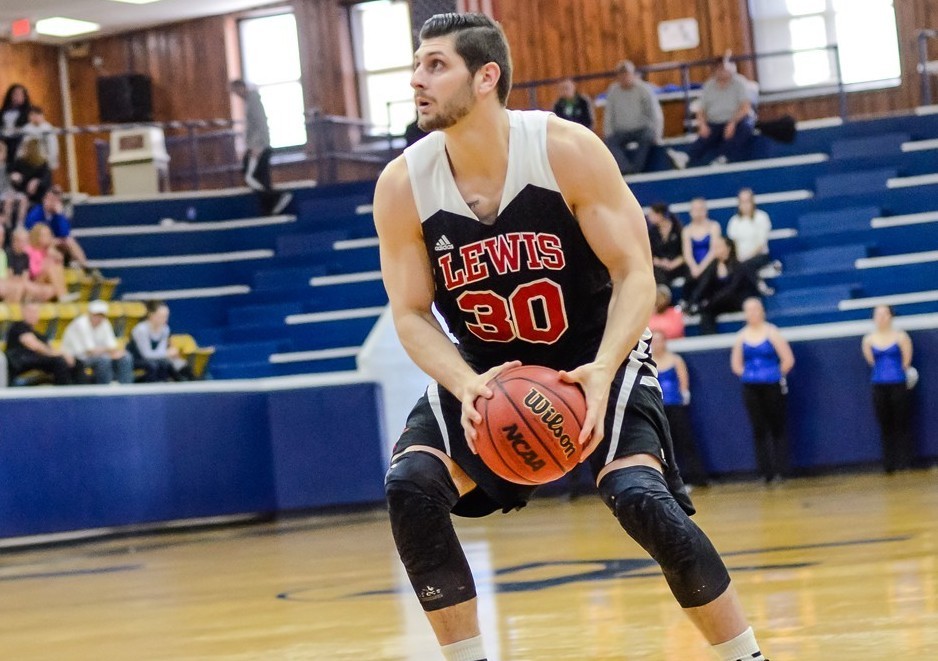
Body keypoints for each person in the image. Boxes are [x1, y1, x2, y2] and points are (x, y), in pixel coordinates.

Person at [374, 12, 767, 661]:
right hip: (486, 368)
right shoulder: (402, 186)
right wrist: (468, 383)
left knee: (640, 496)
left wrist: (607, 366)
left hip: (594, 351)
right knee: (411, 483)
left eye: (435, 65)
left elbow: (636, 275)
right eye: (417, 64)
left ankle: (746, 655)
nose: (417, 78)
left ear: (485, 78)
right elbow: (411, 313)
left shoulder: (564, 149)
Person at [730, 298, 794, 484]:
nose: (752, 313)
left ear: (762, 311)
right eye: (748, 310)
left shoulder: (772, 332)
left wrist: (773, 374)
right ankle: (765, 472)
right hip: (751, 387)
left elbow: (788, 359)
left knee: (777, 427)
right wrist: (751, 374)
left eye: (755, 309)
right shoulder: (741, 336)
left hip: (772, 385)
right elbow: (736, 365)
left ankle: (782, 470)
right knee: (759, 428)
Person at [651, 330, 710, 487]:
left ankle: (697, 478)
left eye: (660, 340)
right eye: (654, 341)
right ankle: (666, 481)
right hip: (658, 408)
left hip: (676, 405)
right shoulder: (648, 363)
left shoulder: (676, 359)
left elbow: (683, 381)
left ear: (665, 342)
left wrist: (684, 396)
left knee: (685, 441)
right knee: (662, 446)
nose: (657, 344)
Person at [861, 305, 915, 473]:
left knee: (901, 422)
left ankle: (905, 461)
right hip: (879, 384)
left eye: (885, 314)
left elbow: (906, 361)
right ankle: (889, 463)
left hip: (898, 383)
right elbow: (872, 362)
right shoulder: (868, 340)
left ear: (891, 316)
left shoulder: (901, 337)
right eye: (878, 314)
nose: (881, 318)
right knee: (885, 424)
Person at [229, 79, 293, 216]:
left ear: (241, 87)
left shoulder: (253, 101)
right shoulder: (250, 101)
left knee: (251, 177)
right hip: (258, 146)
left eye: (235, 91)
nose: (235, 95)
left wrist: (257, 146)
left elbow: (261, 124)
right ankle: (271, 208)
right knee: (260, 178)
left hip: (259, 147)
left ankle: (276, 197)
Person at [682, 60, 755, 167]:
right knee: (707, 133)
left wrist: (732, 123)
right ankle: (686, 158)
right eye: (720, 68)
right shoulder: (709, 85)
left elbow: (745, 108)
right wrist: (702, 125)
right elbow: (701, 110)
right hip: (715, 122)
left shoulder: (740, 82)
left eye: (726, 68)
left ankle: (724, 158)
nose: (723, 71)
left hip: (737, 120)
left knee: (744, 127)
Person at [602, 60, 663, 175]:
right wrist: (608, 133)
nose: (625, 78)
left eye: (627, 74)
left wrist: (657, 134)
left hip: (642, 129)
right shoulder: (613, 91)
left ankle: (636, 169)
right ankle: (625, 169)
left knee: (648, 137)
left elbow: (655, 113)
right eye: (622, 75)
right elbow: (608, 114)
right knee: (610, 141)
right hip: (621, 131)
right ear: (618, 77)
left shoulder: (644, 89)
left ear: (633, 74)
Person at [689, 237, 760, 335]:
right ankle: (710, 339)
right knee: (706, 313)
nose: (716, 250)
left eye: (719, 247)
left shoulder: (738, 266)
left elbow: (732, 289)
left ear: (728, 248)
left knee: (709, 305)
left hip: (736, 300)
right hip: (718, 302)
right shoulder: (713, 267)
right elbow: (703, 286)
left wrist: (710, 302)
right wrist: (693, 301)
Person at [5, 300, 85, 385]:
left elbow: (50, 347)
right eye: (30, 312)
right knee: (59, 361)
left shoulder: (39, 335)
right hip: (22, 363)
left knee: (77, 363)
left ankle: (81, 392)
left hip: (39, 362)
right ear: (23, 312)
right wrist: (59, 354)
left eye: (36, 312)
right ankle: (64, 392)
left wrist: (65, 355)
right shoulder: (18, 327)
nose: (33, 315)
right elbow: (35, 346)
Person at [61, 299, 134, 385]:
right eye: (96, 315)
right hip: (77, 357)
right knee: (104, 360)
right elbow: (89, 350)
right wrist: (108, 351)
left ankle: (126, 388)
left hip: (96, 355)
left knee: (126, 357)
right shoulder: (80, 324)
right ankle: (104, 389)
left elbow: (112, 345)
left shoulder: (105, 323)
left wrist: (110, 351)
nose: (98, 318)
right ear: (90, 314)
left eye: (101, 315)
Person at [726, 188, 776, 294]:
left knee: (745, 266)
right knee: (736, 267)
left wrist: (746, 257)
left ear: (753, 202)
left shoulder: (762, 217)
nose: (745, 205)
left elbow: (761, 244)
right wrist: (739, 258)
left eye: (747, 201)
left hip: (759, 256)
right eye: (742, 202)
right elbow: (733, 244)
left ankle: (759, 286)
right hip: (739, 258)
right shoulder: (734, 221)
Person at [25, 187, 89, 269]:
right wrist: (51, 240)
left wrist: (60, 215)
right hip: (38, 242)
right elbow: (32, 235)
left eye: (56, 200)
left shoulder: (57, 215)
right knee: (52, 247)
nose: (53, 203)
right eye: (50, 199)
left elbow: (65, 233)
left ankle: (85, 267)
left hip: (55, 241)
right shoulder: (35, 214)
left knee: (69, 241)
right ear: (44, 200)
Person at [130, 300, 190, 382]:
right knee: (154, 366)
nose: (165, 319)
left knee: (167, 364)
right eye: (161, 316)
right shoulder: (141, 329)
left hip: (155, 359)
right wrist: (167, 353)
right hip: (137, 360)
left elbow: (160, 352)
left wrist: (167, 354)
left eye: (166, 316)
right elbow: (147, 354)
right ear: (151, 315)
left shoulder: (165, 329)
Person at [681, 197, 722, 304]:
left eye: (700, 209)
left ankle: (693, 302)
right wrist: (694, 267)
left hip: (709, 261)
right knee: (689, 274)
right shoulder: (687, 230)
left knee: (709, 272)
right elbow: (687, 254)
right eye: (695, 210)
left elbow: (714, 250)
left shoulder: (714, 226)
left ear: (705, 211)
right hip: (694, 263)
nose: (698, 213)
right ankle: (687, 300)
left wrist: (700, 268)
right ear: (690, 212)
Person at [647, 202, 687, 292]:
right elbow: (650, 254)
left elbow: (684, 253)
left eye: (651, 214)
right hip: (660, 267)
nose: (649, 217)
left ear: (659, 215)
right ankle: (664, 297)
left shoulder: (678, 229)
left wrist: (672, 264)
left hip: (677, 265)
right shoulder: (652, 232)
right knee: (657, 273)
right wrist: (660, 262)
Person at [9, 135, 53, 205]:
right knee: (13, 199)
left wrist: (37, 181)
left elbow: (47, 180)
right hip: (22, 193)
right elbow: (12, 174)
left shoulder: (43, 164)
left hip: (39, 195)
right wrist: (14, 176)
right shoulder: (20, 162)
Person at [0, 84, 32, 169]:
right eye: (15, 94)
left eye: (20, 94)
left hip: (19, 143)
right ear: (10, 95)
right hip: (5, 142)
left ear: (24, 97)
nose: (17, 97)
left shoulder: (28, 112)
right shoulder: (3, 111)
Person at [0, 141, 28, 235]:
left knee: (23, 198)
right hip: (2, 193)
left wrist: (16, 177)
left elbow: (15, 177)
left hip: (9, 191)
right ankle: (8, 225)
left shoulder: (8, 166)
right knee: (9, 200)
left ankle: (20, 224)